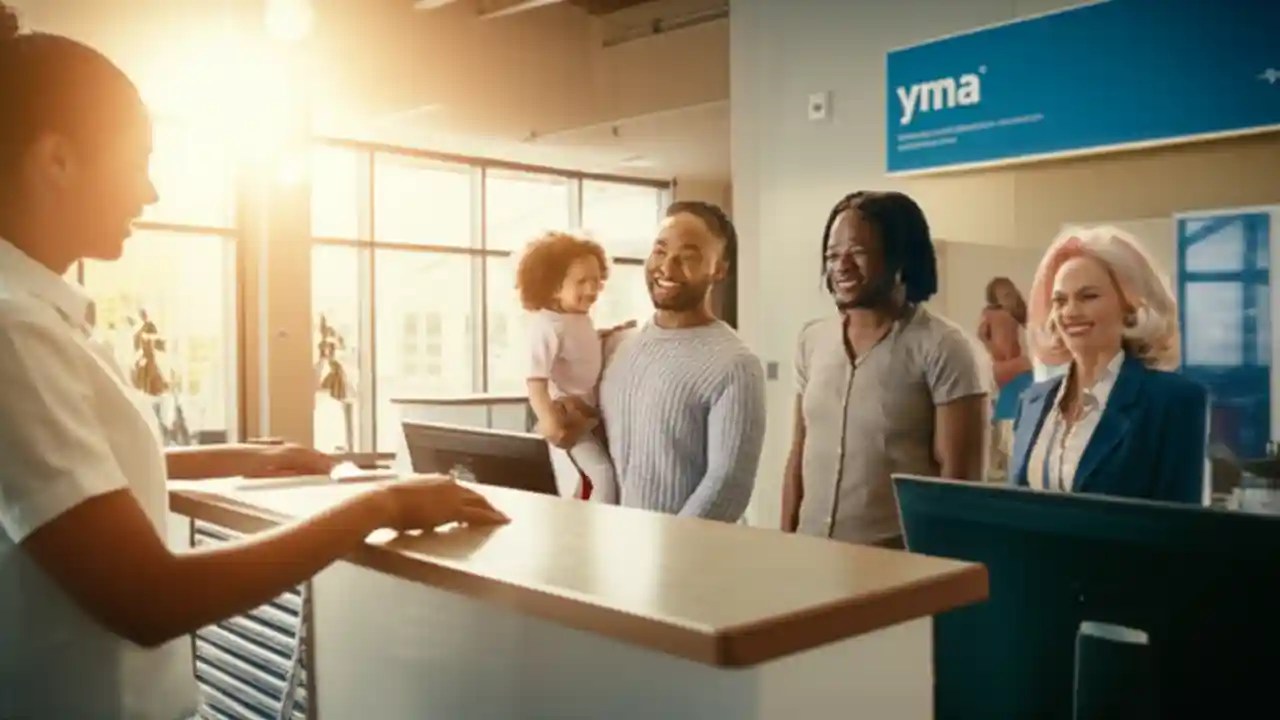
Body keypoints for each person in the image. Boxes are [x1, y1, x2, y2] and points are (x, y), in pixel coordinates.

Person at [0, 10, 507, 718]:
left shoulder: (37, 312)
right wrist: (379, 504)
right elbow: (148, 597)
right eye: (139, 160)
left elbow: (64, 479)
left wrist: (246, 456)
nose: (150, 192)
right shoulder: (16, 329)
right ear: (56, 159)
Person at [782, 191, 988, 548]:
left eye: (857, 252)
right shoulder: (811, 340)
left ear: (900, 257)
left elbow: (959, 485)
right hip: (809, 556)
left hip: (895, 568)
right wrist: (784, 545)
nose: (841, 265)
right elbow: (799, 455)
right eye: (832, 255)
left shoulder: (945, 347)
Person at [1009, 226, 1208, 503]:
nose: (1070, 312)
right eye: (1060, 300)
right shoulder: (1032, 402)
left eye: (1088, 296)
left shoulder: (1173, 401)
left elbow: (1180, 531)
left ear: (1130, 305)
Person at [599, 201, 766, 522]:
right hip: (622, 549)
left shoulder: (736, 364)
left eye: (688, 257)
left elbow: (728, 485)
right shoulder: (621, 347)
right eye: (660, 251)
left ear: (719, 269)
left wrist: (671, 555)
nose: (668, 267)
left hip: (693, 561)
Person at [516, 231, 631, 503]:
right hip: (563, 417)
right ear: (553, 287)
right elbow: (535, 380)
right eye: (581, 282)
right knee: (601, 474)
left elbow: (580, 347)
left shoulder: (577, 318)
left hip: (586, 414)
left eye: (596, 281)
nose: (591, 289)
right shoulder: (547, 326)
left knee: (585, 482)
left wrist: (608, 334)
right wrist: (551, 422)